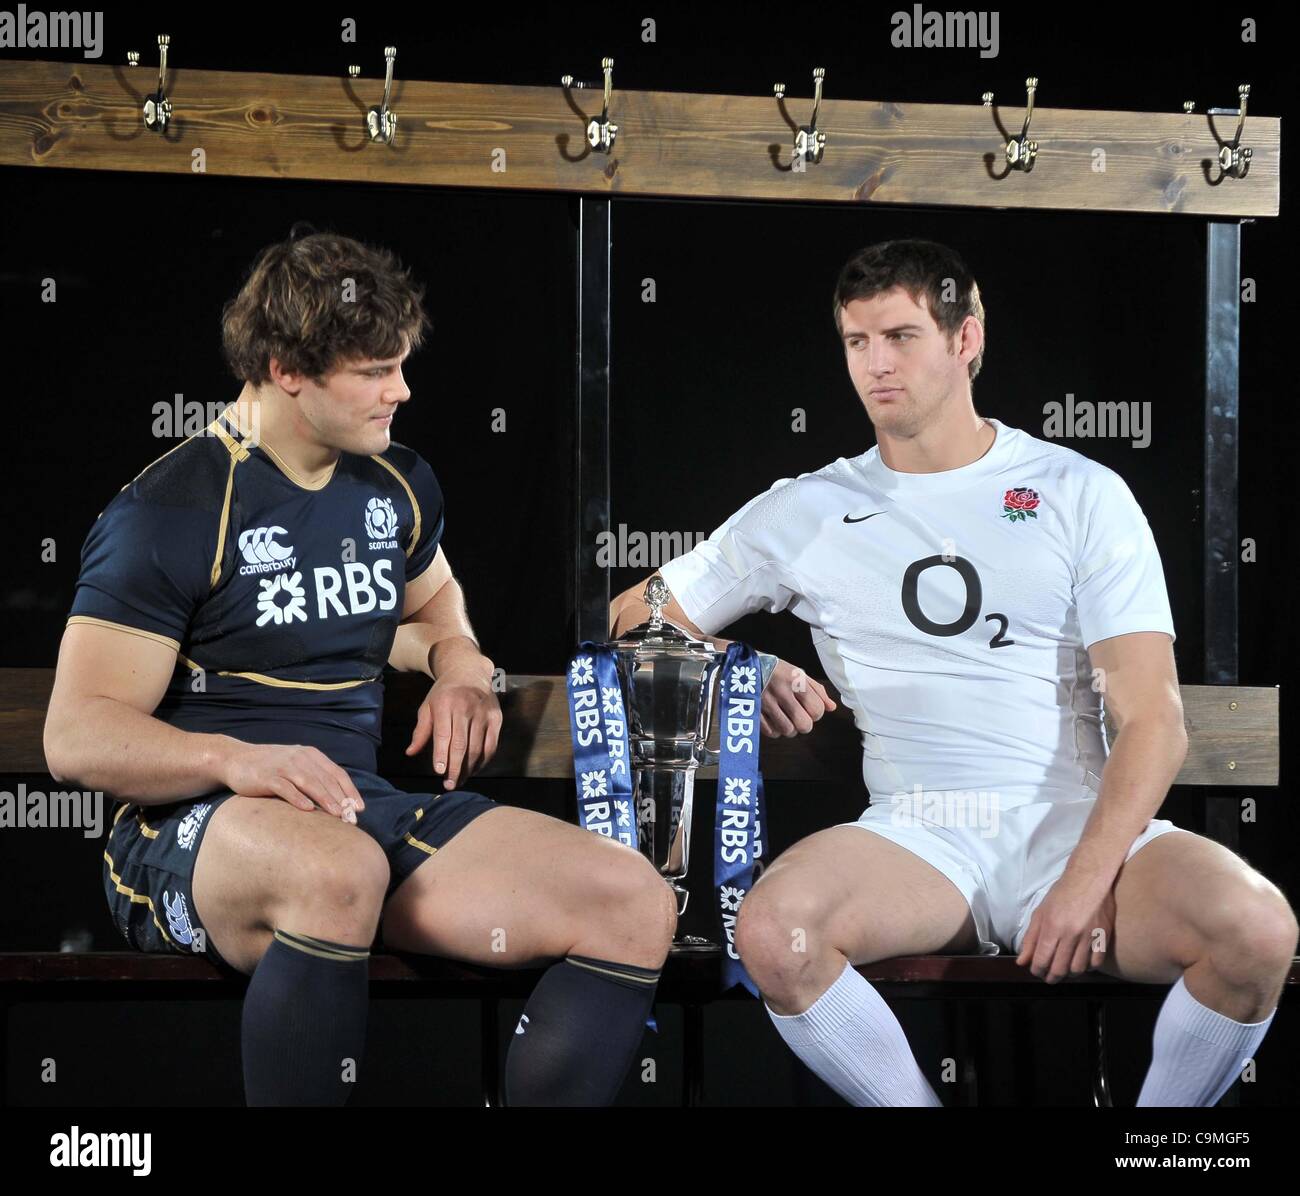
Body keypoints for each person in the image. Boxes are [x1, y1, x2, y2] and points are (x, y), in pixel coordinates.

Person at [611, 238, 1297, 1107]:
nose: (874, 365)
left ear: (966, 339)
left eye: (900, 337)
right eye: (856, 343)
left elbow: (1155, 723)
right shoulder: (809, 508)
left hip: (1072, 826)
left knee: (1257, 930)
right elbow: (631, 617)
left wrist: (1083, 885)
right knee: (776, 932)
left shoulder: (1077, 491)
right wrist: (733, 656)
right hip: (920, 831)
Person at [44, 226, 676, 1106]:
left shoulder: (396, 482)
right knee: (337, 873)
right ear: (287, 368)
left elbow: (427, 607)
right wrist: (239, 760)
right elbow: (76, 736)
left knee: (632, 901)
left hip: (353, 809)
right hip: (190, 826)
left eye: (402, 365)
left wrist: (459, 660)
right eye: (376, 372)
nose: (402, 390)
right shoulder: (173, 508)